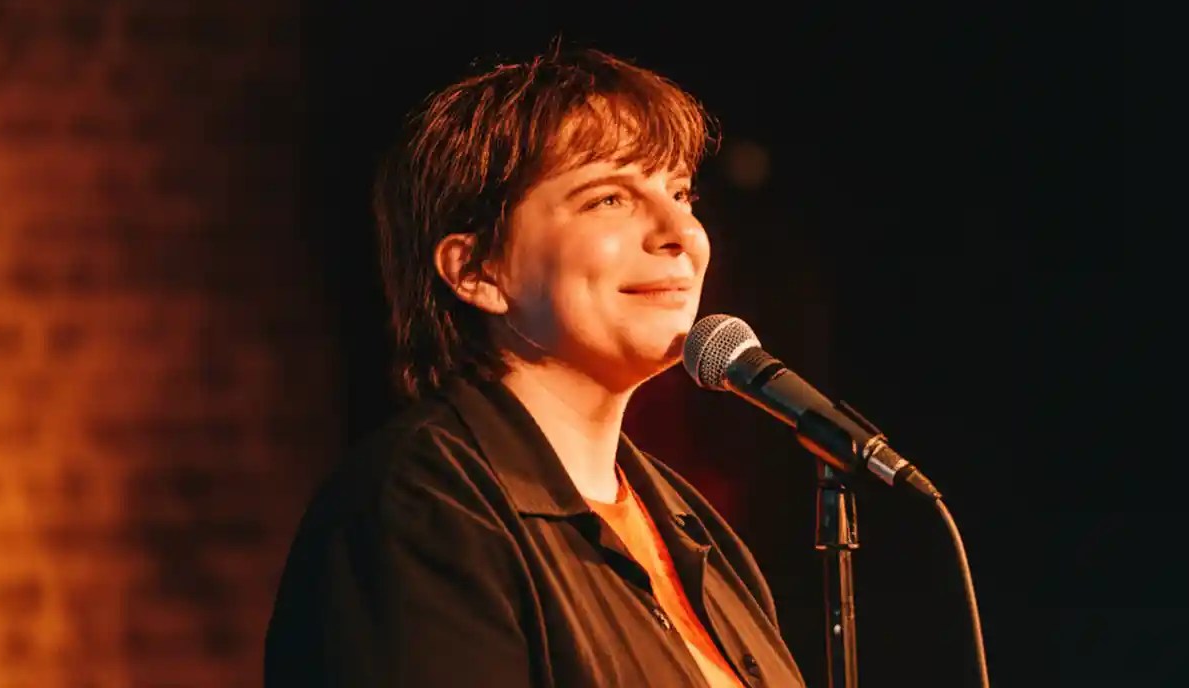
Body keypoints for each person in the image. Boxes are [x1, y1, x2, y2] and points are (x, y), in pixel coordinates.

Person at [264, 46, 807, 687]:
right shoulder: (418, 511)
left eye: (680, 192)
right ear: (478, 271)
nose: (680, 234)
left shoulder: (697, 536)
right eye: (609, 199)